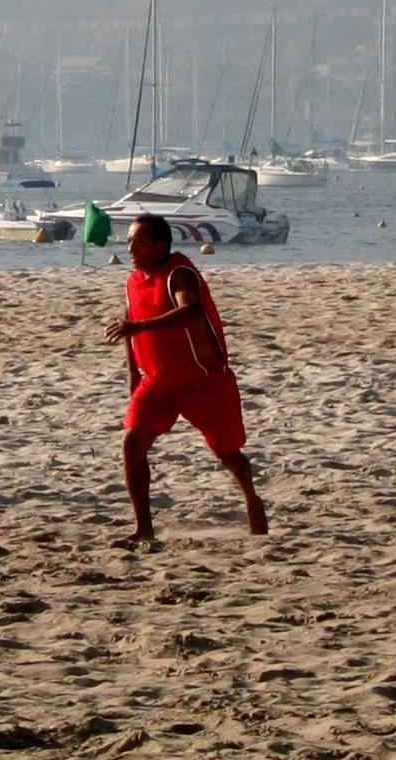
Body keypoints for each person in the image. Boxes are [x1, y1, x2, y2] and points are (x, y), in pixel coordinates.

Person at [108, 212, 266, 547]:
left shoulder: (178, 273)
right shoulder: (134, 279)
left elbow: (190, 309)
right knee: (132, 443)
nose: (131, 247)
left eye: (139, 242)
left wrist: (139, 327)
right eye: (129, 242)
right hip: (158, 381)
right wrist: (133, 373)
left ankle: (252, 499)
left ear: (161, 244)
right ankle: (144, 528)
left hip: (201, 379)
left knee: (228, 453)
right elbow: (129, 322)